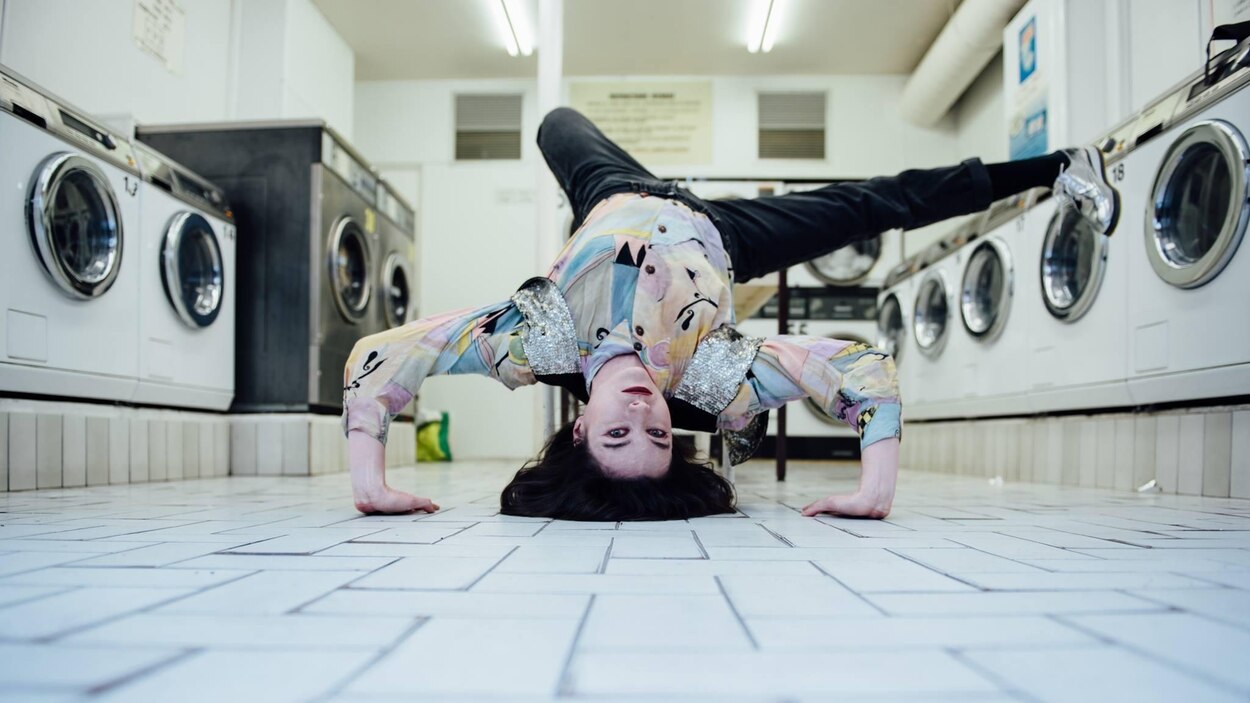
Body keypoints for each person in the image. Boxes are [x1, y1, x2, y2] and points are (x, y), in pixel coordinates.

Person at [342, 107, 1119, 520]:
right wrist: (873, 488)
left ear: (578, 428)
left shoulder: (536, 340)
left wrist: (370, 479)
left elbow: (378, 360)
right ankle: (1060, 169)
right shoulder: (708, 376)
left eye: (618, 432)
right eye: (659, 436)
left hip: (610, 192)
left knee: (552, 123)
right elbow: (864, 371)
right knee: (876, 203)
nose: (646, 414)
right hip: (724, 232)